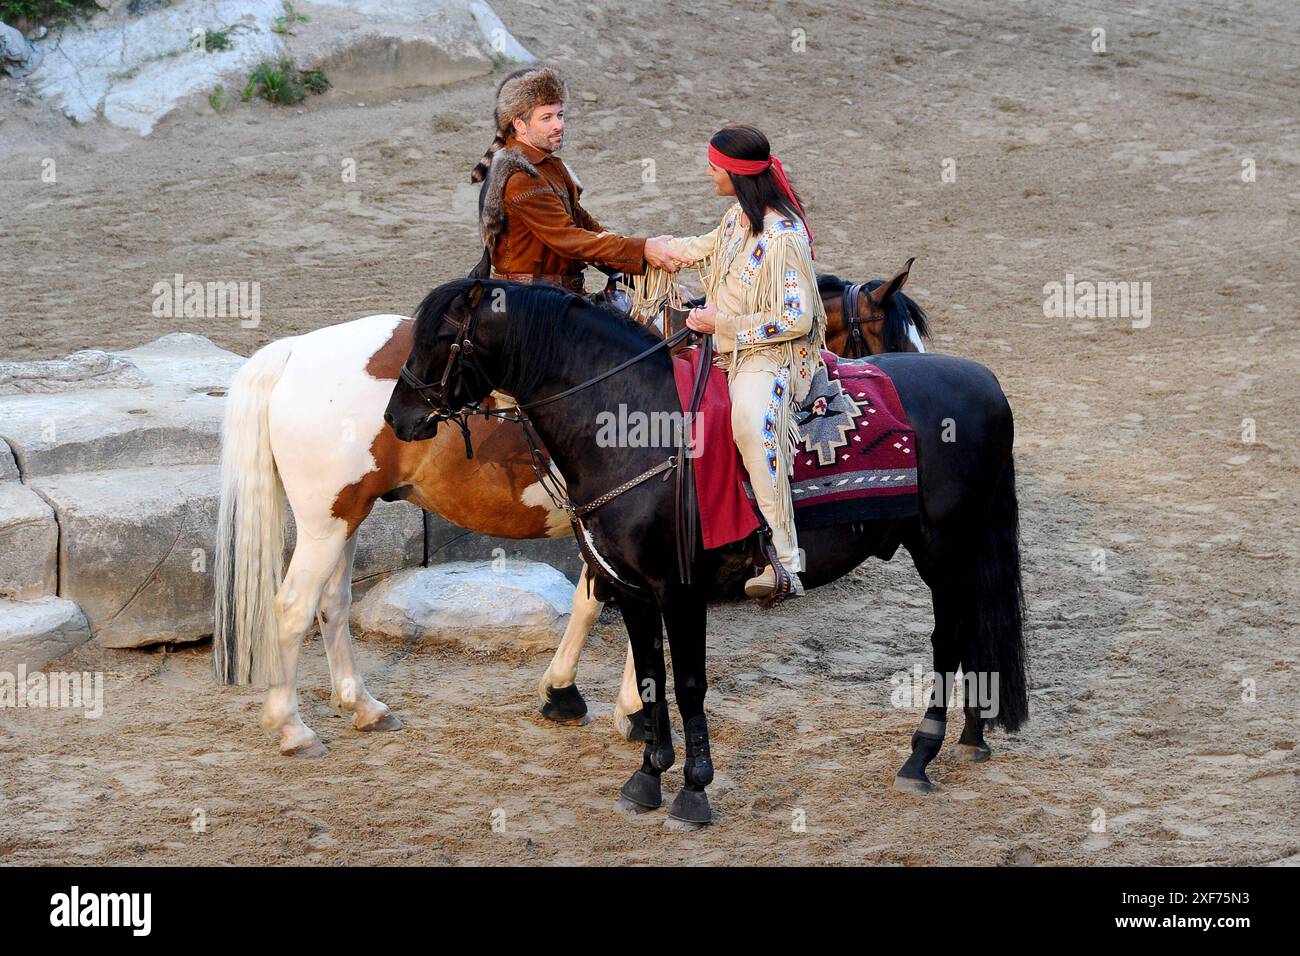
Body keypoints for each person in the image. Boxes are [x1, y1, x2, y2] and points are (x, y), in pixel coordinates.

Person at [662, 125, 827, 599]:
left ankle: (786, 559)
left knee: (750, 426)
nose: (708, 173)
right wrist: (641, 251)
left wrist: (724, 325)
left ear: (734, 172)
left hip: (767, 356)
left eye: (713, 166)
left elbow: (796, 319)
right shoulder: (737, 217)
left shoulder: (783, 237)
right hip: (723, 345)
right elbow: (701, 248)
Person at [470, 66, 690, 291]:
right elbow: (570, 239)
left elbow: (587, 231)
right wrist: (643, 248)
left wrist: (649, 285)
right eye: (547, 118)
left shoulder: (549, 166)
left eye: (560, 115)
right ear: (519, 125)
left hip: (559, 295)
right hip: (529, 303)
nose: (558, 125)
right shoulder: (521, 177)